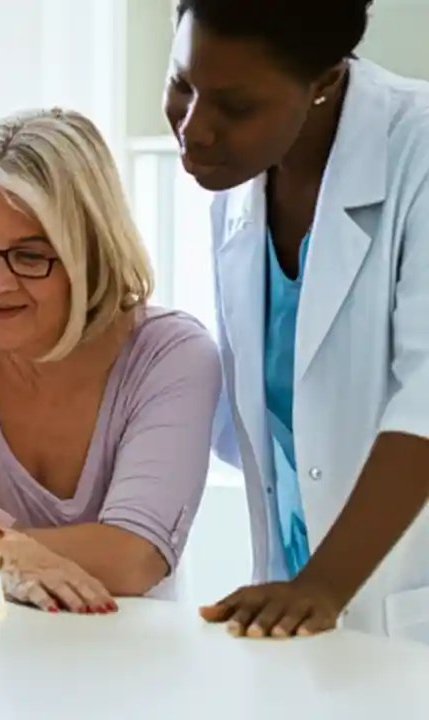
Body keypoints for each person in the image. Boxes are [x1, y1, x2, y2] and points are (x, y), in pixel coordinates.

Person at [0, 109, 223, 613]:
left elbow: (133, 559)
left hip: (122, 666)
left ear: (92, 254)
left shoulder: (173, 357)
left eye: (31, 256)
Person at [165, 0, 429, 642]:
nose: (194, 130)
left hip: (390, 602)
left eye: (234, 106)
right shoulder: (237, 176)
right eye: (182, 85)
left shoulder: (416, 152)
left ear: (325, 83)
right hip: (294, 592)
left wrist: (323, 586)